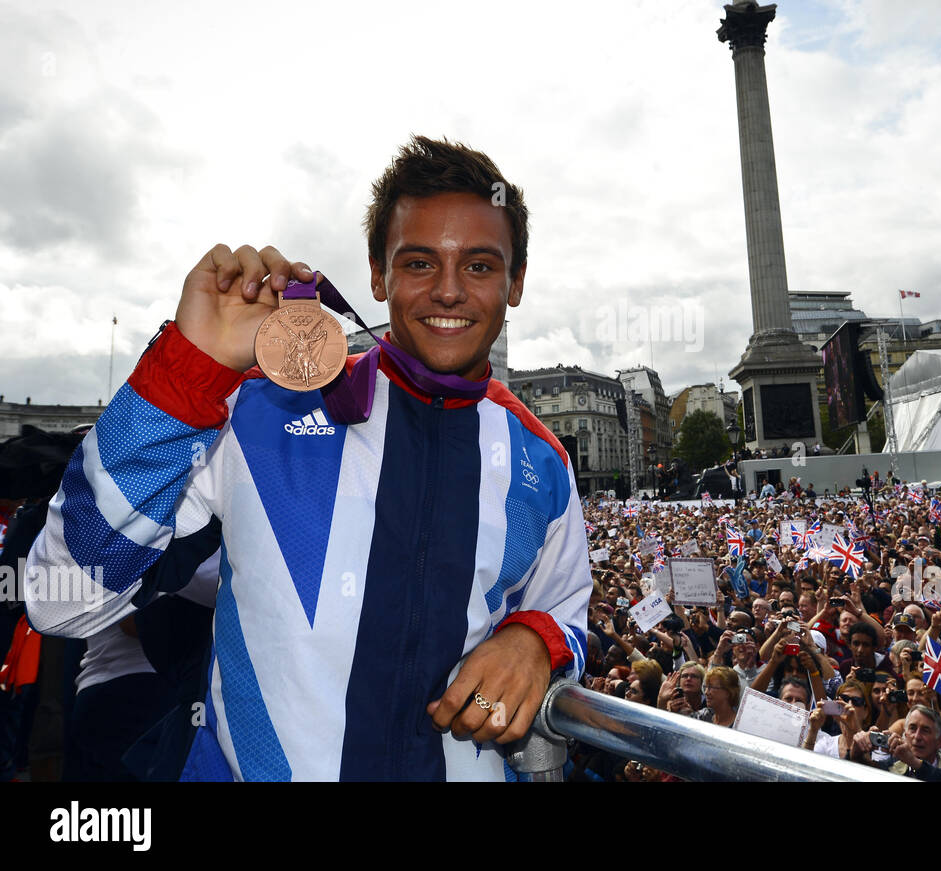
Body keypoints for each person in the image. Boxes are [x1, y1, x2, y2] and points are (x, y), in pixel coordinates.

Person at [25, 137, 592, 781]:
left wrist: (537, 639)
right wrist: (186, 372)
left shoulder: (540, 461)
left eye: (481, 267)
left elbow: (569, 615)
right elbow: (60, 597)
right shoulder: (260, 414)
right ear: (378, 276)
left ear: (515, 282)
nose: (450, 292)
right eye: (419, 264)